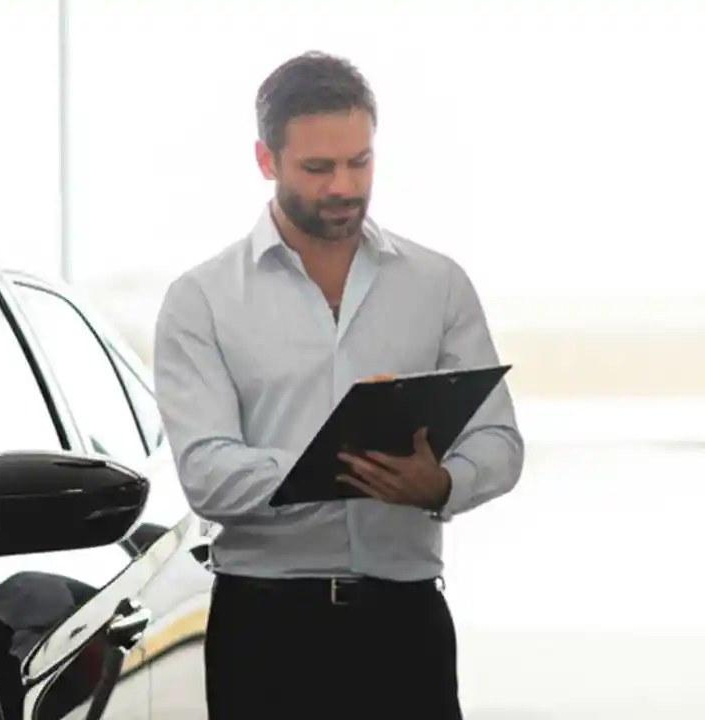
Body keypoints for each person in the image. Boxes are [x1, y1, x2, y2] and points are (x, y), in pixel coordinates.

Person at [153, 50, 525, 720]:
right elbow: (206, 473)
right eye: (318, 168)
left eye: (360, 161)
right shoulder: (201, 300)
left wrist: (439, 485)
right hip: (264, 629)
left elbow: (499, 442)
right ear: (266, 161)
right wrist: (337, 461)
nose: (343, 186)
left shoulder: (437, 284)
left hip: (406, 624)